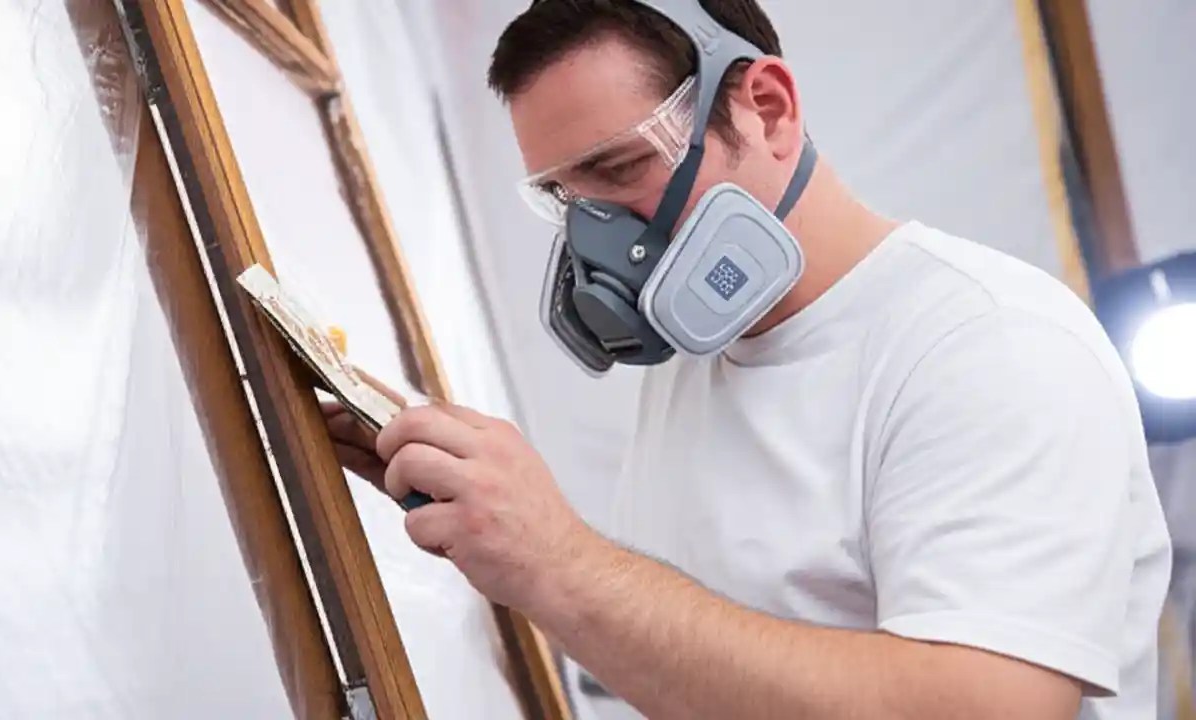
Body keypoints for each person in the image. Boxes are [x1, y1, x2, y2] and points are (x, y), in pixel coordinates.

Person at [325, 1, 1172, 718]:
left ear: (766, 108)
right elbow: (695, 657)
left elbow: (984, 705)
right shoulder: (698, 363)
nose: (599, 240)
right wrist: (495, 533)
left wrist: (562, 565)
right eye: (563, 198)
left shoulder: (990, 345)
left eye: (617, 169)